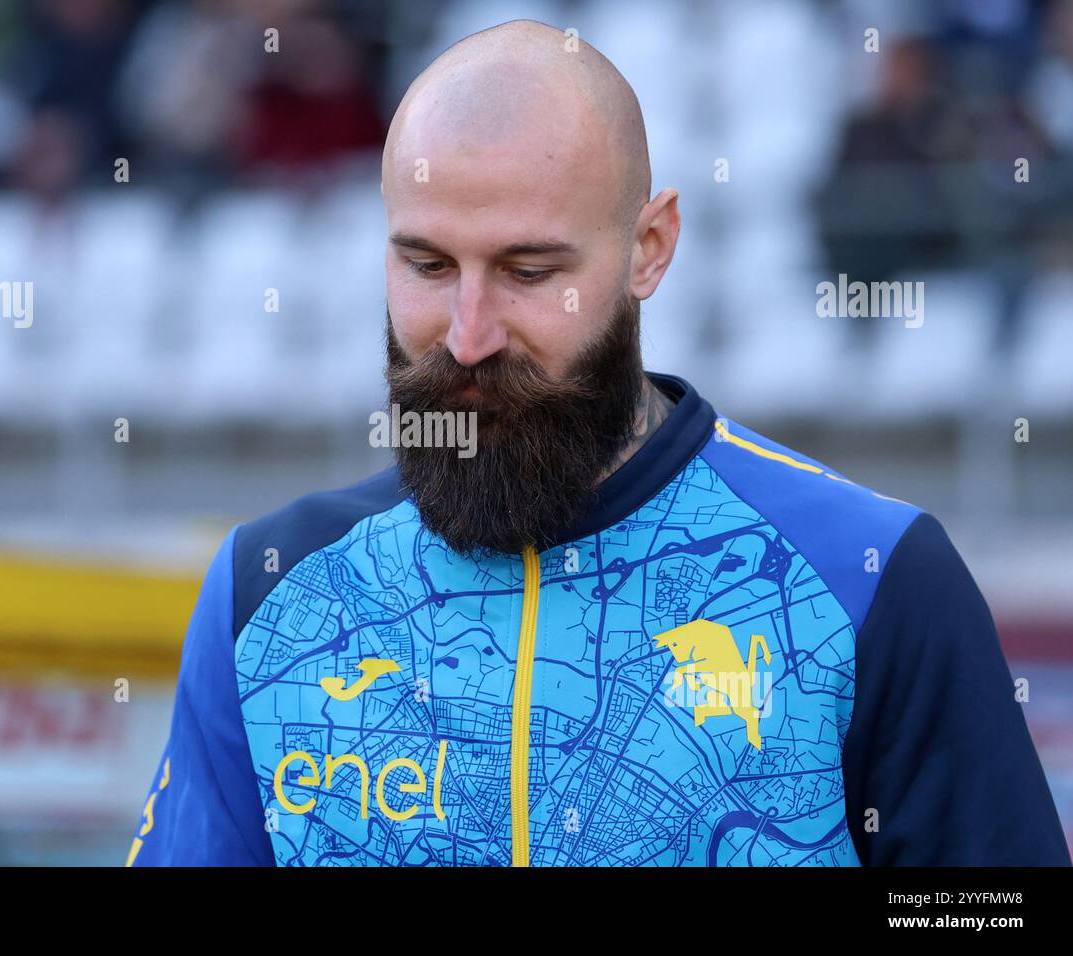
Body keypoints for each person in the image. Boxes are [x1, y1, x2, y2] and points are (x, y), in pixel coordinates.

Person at [127, 20, 1069, 867]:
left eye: (528, 270)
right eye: (425, 264)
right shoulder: (267, 591)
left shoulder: (875, 579)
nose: (467, 333)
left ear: (649, 248)